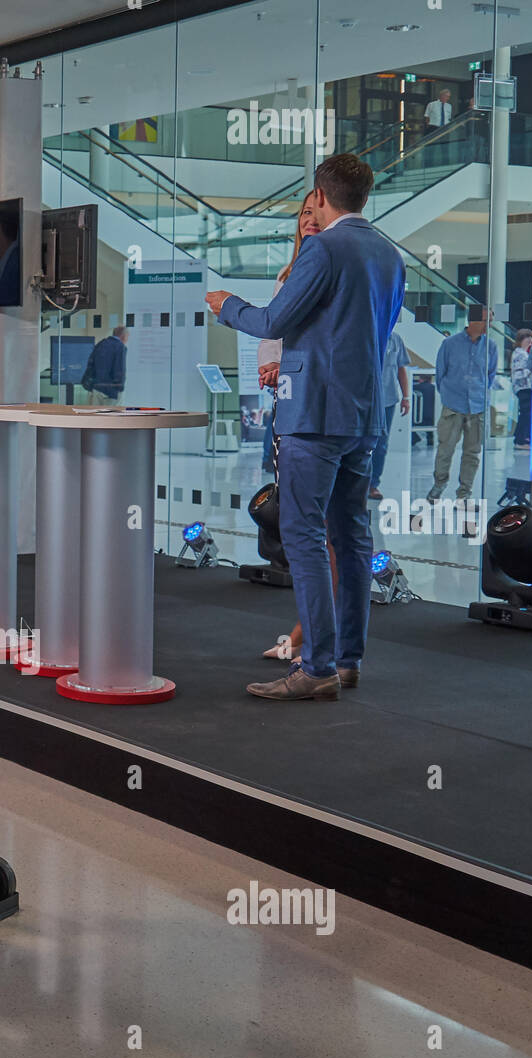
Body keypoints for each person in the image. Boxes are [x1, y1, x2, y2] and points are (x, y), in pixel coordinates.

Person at [206, 152, 405, 702]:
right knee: (352, 537)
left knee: (303, 534)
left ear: (319, 196)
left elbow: (273, 320)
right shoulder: (389, 255)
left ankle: (315, 668)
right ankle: (347, 661)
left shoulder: (323, 247)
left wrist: (228, 306)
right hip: (363, 416)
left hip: (314, 413)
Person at [256, 192, 335, 660]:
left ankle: (313, 638)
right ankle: (314, 632)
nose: (309, 219)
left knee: (320, 530)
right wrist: (271, 367)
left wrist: (228, 306)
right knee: (310, 528)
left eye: (315, 211)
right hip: (291, 409)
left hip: (319, 415)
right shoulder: (291, 274)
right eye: (303, 213)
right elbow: (274, 333)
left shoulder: (332, 268)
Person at [428, 311, 499, 502]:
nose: (489, 325)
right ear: (473, 320)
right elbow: (440, 373)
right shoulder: (449, 344)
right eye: (486, 321)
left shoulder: (491, 347)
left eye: (491, 321)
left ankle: (464, 493)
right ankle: (439, 485)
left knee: (473, 452)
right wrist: (449, 395)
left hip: (477, 406)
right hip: (453, 405)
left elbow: (490, 375)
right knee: (445, 449)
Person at [368, 330, 411, 499]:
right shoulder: (362, 331)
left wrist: (406, 397)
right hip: (362, 399)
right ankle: (354, 484)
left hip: (387, 400)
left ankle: (373, 484)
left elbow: (401, 369)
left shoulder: (395, 339)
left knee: (381, 445)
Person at [82, 326, 129, 404]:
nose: (127, 339)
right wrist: (120, 387)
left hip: (97, 388)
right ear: (123, 336)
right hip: (111, 391)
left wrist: (91, 385)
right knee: (111, 415)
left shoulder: (100, 344)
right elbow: (120, 369)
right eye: (127, 336)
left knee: (96, 415)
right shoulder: (120, 347)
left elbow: (90, 365)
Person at [512, 329, 532, 450]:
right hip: (523, 386)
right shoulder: (520, 353)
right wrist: (531, 369)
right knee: (526, 413)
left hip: (524, 387)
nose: (530, 341)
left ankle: (521, 438)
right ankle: (521, 440)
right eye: (528, 338)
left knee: (525, 413)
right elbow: (520, 371)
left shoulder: (522, 353)